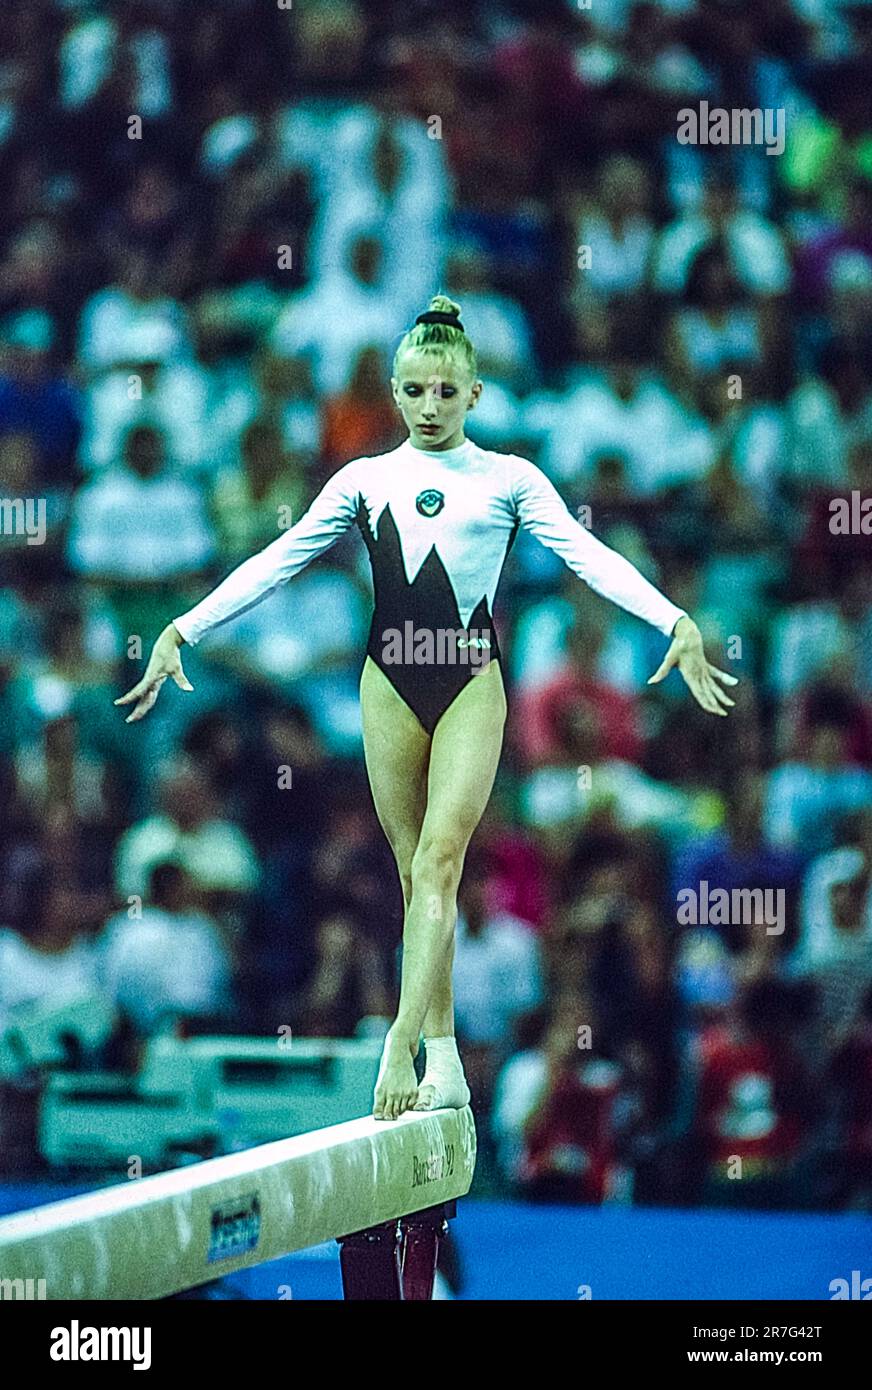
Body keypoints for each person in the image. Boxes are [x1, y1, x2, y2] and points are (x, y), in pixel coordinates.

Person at [115, 294, 738, 1121]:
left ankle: (401, 1041)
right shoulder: (366, 480)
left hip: (471, 682)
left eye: (447, 392)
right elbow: (278, 559)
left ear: (475, 393)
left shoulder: (511, 479)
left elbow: (586, 555)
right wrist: (183, 629)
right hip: (389, 686)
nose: (431, 407)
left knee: (444, 861)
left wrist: (673, 619)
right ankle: (442, 1053)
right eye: (415, 391)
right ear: (396, 393)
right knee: (416, 878)